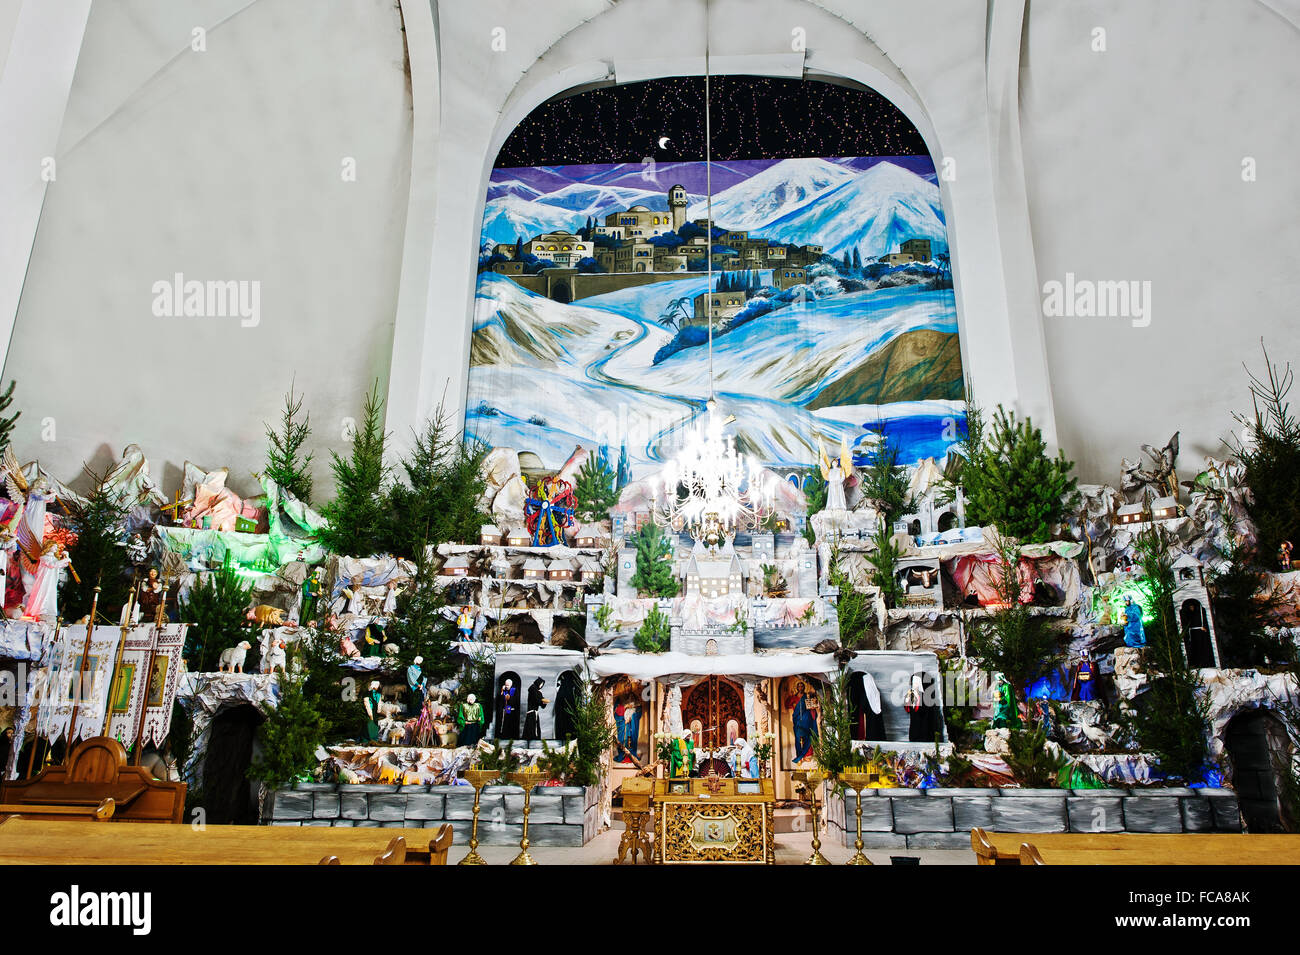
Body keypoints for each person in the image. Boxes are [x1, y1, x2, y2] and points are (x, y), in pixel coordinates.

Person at [23, 541, 71, 622]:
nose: (56, 548)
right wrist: (65, 560)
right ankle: (40, 611)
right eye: (54, 546)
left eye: (56, 547)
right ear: (49, 547)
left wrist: (66, 557)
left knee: (50, 595)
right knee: (43, 594)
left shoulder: (55, 559)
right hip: (44, 581)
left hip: (51, 581)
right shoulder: (44, 557)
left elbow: (60, 565)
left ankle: (48, 611)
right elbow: (52, 565)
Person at [784, 680, 819, 764]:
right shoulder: (794, 698)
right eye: (799, 686)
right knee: (798, 738)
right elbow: (787, 705)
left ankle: (807, 755)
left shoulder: (807, 696)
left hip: (807, 719)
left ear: (804, 687)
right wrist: (789, 695)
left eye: (802, 686)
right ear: (796, 687)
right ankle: (799, 756)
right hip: (797, 720)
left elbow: (813, 705)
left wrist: (813, 702)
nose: (800, 687)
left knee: (807, 735)